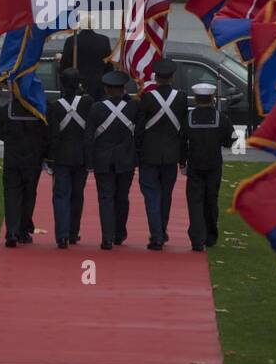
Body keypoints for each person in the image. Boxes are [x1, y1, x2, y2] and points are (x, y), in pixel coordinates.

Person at [135, 58, 187, 251]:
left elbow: (139, 130)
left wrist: (137, 151)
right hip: (171, 154)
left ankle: (156, 234)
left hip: (149, 154)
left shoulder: (147, 98)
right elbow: (183, 132)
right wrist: (182, 157)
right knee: (166, 196)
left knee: (151, 196)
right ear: (172, 77)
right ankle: (161, 230)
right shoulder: (181, 98)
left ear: (156, 77)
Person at [84, 70, 137, 249]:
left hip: (103, 159)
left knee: (106, 198)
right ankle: (119, 234)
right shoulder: (132, 107)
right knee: (122, 197)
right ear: (123, 89)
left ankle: (107, 237)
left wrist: (89, 161)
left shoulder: (96, 107)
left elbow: (89, 136)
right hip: (126, 159)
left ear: (106, 89)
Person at [0, 83, 48, 247]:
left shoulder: (6, 108)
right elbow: (45, 134)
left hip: (12, 157)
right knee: (29, 194)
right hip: (32, 158)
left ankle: (12, 231)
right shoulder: (39, 109)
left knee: (11, 195)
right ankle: (23, 231)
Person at [182, 83, 235, 251]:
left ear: (196, 98)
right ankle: (210, 236)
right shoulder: (221, 118)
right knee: (211, 201)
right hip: (213, 166)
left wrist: (182, 162)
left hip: (195, 165)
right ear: (212, 98)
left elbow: (181, 141)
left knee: (195, 202)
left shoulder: (188, 118)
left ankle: (197, 238)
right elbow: (230, 140)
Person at [46, 70, 90, 249]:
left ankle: (62, 235)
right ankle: (73, 232)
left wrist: (50, 158)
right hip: (81, 157)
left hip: (62, 157)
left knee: (61, 196)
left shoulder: (55, 107)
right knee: (77, 196)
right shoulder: (87, 103)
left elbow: (53, 136)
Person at [59, 16, 112, 102]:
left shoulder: (71, 40)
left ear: (81, 25)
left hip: (76, 86)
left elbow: (64, 65)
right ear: (94, 25)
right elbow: (109, 66)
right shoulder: (104, 40)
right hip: (98, 87)